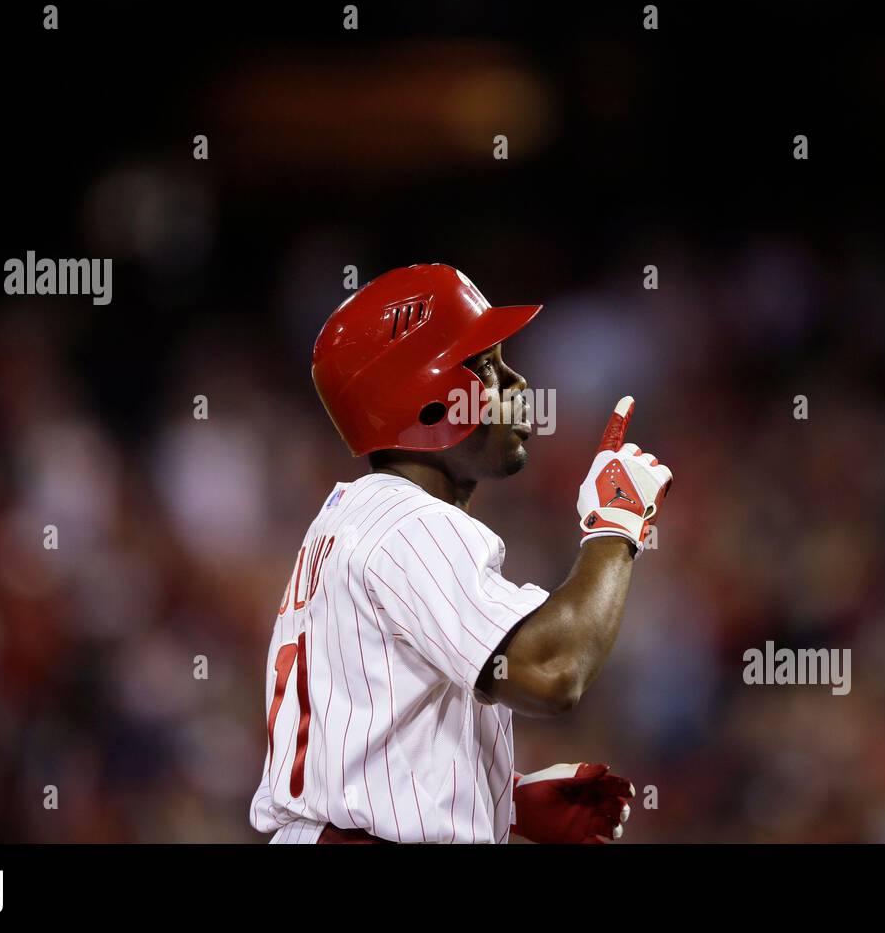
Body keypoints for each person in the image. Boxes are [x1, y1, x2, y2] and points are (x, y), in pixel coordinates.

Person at [250, 264, 673, 843]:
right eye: (487, 369)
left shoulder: (351, 519)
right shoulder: (410, 523)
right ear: (425, 399)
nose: (519, 385)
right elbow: (552, 673)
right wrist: (616, 523)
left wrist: (508, 800)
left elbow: (366, 732)